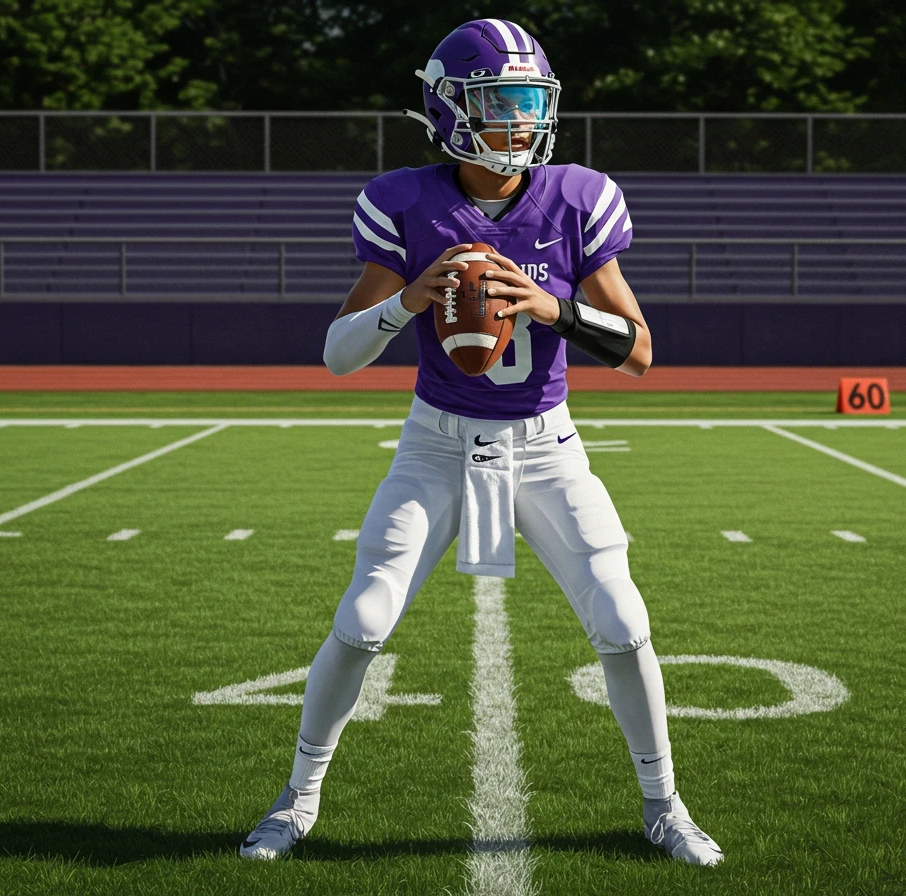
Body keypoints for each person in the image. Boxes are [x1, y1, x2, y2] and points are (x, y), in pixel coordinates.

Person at [240, 18, 723, 867]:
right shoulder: (406, 202)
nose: (521, 122)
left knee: (623, 620)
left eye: (531, 102)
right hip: (436, 446)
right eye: (501, 103)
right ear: (450, 110)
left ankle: (664, 805)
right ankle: (297, 799)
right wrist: (407, 302)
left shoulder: (576, 197)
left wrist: (555, 310)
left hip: (548, 445)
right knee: (361, 620)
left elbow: (641, 352)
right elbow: (338, 355)